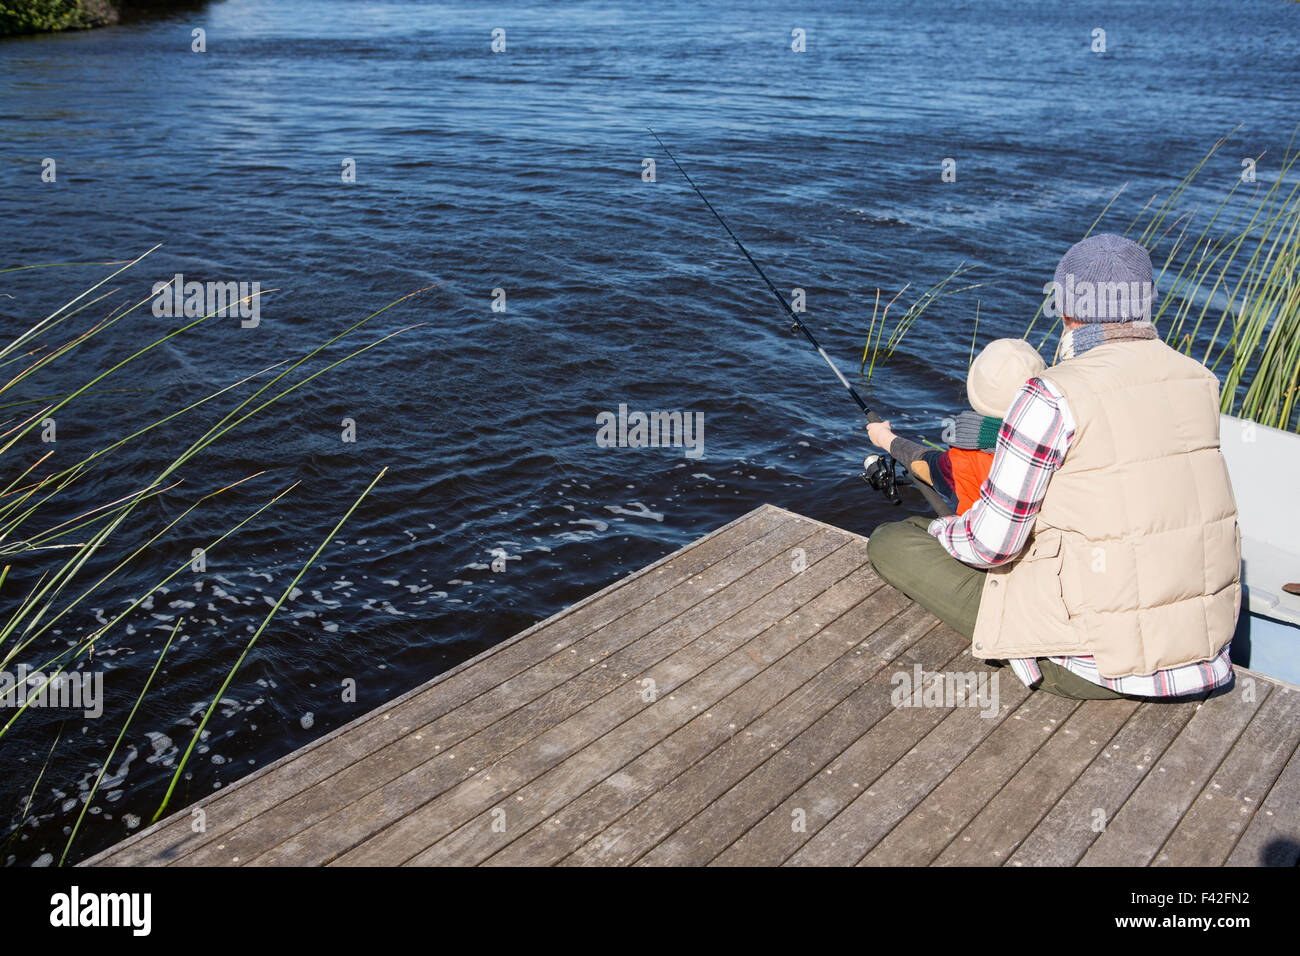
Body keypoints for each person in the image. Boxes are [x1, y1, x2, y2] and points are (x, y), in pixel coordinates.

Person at [865, 233, 1240, 700]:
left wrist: (944, 532)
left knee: (894, 540)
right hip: (1205, 656)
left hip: (1099, 667)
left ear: (1067, 314)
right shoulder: (1199, 381)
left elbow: (989, 547)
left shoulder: (1051, 394)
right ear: (1147, 305)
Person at [869, 338, 1046, 515]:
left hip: (974, 539)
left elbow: (925, 464)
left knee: (888, 536)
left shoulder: (966, 458)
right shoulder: (1060, 443)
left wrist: (883, 437)